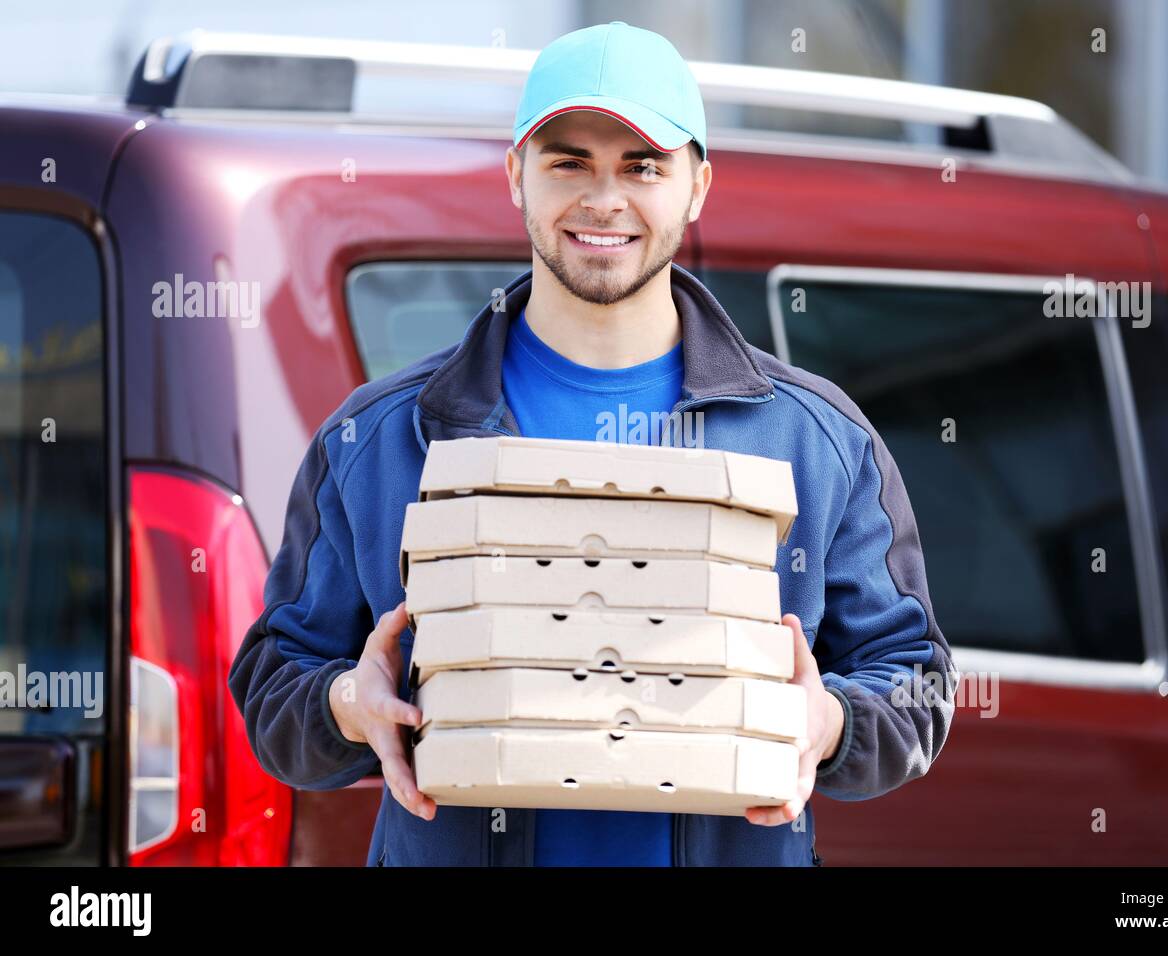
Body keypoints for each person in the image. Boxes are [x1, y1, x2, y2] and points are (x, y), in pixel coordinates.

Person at [229, 20, 957, 867]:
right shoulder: (381, 439)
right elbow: (273, 685)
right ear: (516, 177)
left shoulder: (816, 440)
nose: (604, 199)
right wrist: (351, 704)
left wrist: (827, 721)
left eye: (642, 166)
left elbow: (916, 680)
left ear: (697, 187)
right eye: (568, 161)